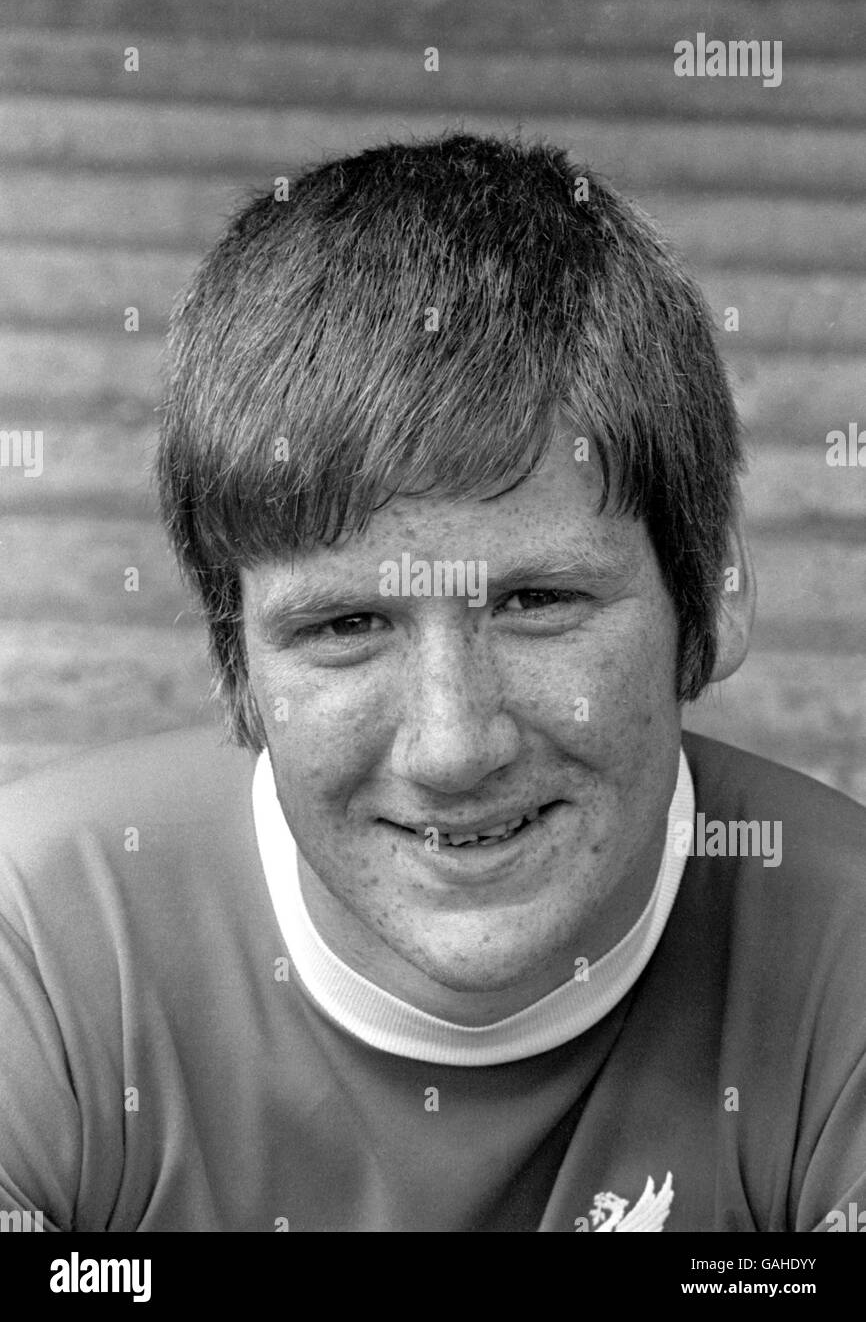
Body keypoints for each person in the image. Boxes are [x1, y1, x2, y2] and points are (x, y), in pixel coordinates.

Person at [1, 133, 864, 1234]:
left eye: (537, 602)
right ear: (237, 659)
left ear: (717, 590)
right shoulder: (33, 942)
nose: (454, 747)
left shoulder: (843, 966)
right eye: (346, 625)